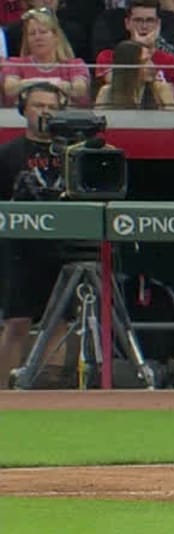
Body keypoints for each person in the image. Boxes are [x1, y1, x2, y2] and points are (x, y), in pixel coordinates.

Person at [0, 81, 69, 388]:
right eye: (39, 106)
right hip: (20, 250)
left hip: (62, 247)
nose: (46, 112)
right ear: (24, 110)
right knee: (16, 323)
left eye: (52, 107)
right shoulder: (9, 153)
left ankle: (48, 393)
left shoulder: (71, 152)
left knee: (58, 324)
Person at [95, 40, 174, 108]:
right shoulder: (107, 92)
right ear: (129, 66)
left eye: (150, 60)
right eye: (144, 61)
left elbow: (173, 123)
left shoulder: (161, 90)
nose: (151, 66)